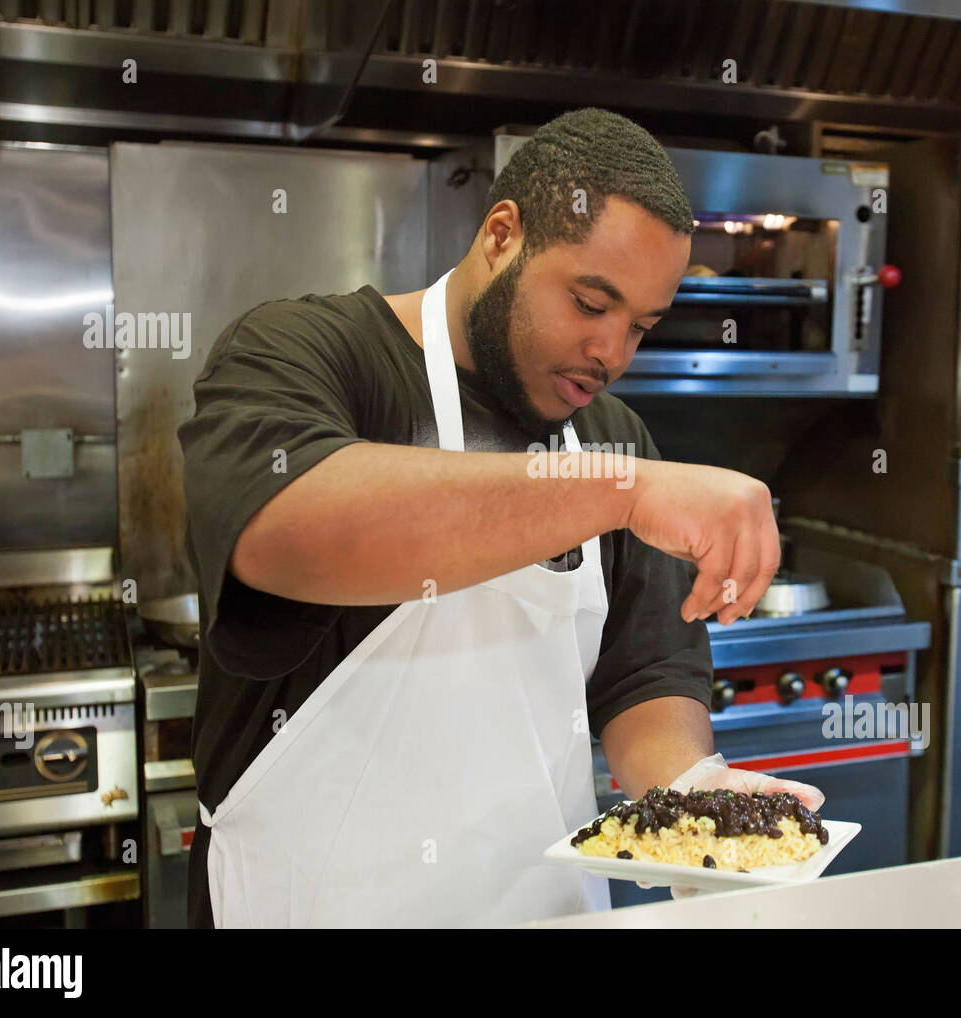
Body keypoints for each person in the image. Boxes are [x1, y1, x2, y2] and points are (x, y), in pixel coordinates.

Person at [178, 107, 823, 928]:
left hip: (539, 909)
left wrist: (688, 797)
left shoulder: (612, 435)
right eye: (591, 302)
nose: (612, 353)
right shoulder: (305, 351)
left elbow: (644, 674)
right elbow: (287, 529)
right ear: (502, 234)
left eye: (642, 327)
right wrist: (622, 490)